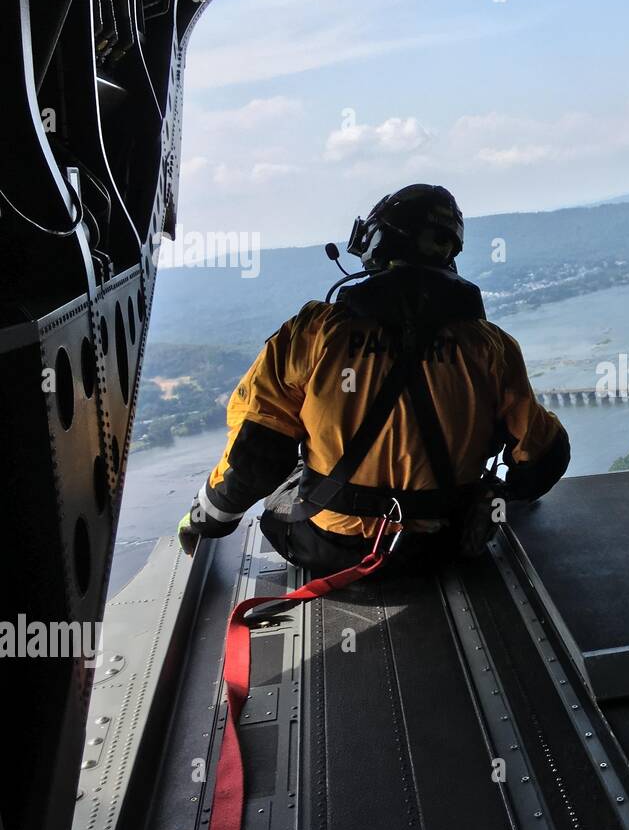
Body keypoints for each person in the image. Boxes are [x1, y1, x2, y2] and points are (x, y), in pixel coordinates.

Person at [177, 183, 569, 570]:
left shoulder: (314, 333)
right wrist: (499, 496)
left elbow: (255, 460)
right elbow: (543, 457)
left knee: (292, 478)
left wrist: (203, 519)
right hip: (443, 546)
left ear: (377, 244)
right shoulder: (491, 347)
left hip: (327, 547)